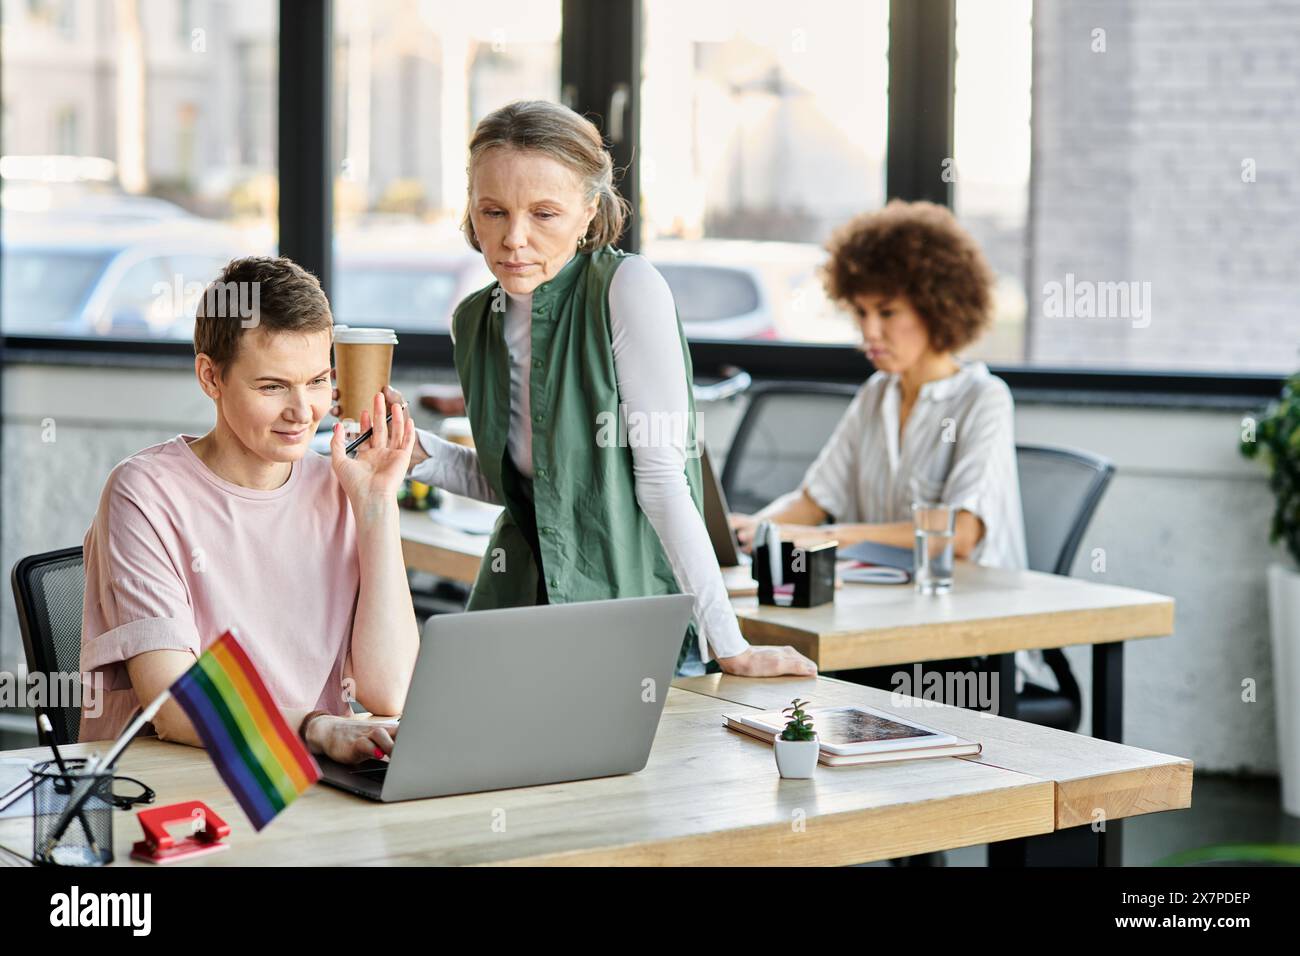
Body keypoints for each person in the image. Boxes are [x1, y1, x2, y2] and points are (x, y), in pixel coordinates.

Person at [364, 100, 814, 678]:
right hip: (518, 605)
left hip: (623, 606)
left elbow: (662, 482)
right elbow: (520, 486)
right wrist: (409, 451)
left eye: (544, 213)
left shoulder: (627, 288)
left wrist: (730, 646)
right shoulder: (475, 318)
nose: (513, 238)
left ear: (588, 212)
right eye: (493, 211)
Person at [79, 256, 419, 763]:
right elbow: (173, 706)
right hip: (177, 784)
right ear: (211, 377)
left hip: (306, 779)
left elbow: (389, 691)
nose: (302, 411)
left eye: (317, 381)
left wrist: (375, 505)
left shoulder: (340, 484)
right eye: (272, 386)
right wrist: (315, 728)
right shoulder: (144, 492)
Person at [730, 200, 1054, 693]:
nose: (869, 332)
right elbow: (815, 500)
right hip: (882, 632)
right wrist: (757, 528)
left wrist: (838, 536)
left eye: (887, 312)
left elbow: (959, 535)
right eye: (860, 312)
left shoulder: (983, 398)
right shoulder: (877, 393)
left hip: (972, 652)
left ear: (937, 306)